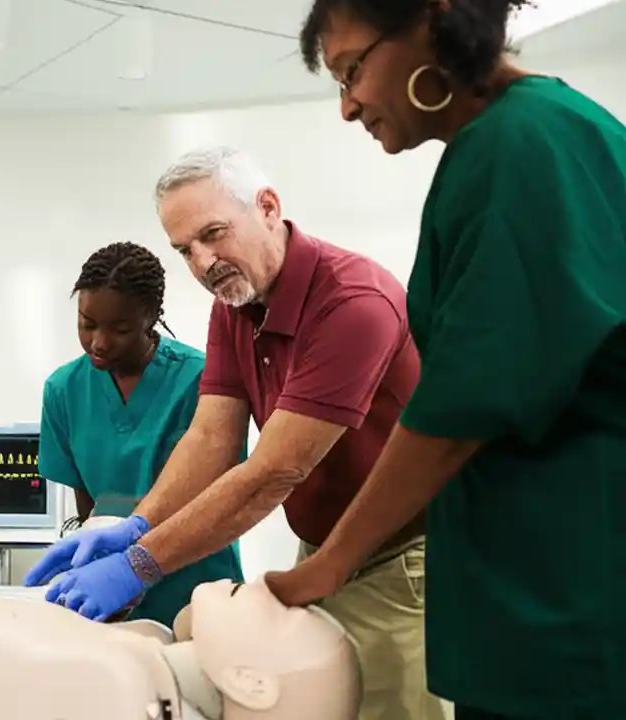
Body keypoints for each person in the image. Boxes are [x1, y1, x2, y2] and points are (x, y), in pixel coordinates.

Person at [265, 1, 626, 718]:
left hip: (562, 594)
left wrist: (331, 564)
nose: (347, 107)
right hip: (538, 583)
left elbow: (462, 406)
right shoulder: (539, 132)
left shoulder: (518, 147)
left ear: (433, 20)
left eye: (351, 71)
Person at [27, 146, 443, 720]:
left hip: (400, 555)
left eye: (214, 234)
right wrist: (136, 526)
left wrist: (138, 564)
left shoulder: (353, 303)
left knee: (388, 708)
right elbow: (210, 440)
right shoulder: (236, 303)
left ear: (269, 207)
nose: (202, 262)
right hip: (322, 546)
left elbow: (274, 470)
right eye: (185, 250)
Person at [30, 240, 243, 627]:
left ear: (151, 318)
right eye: (87, 324)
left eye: (120, 328)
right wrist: (93, 562)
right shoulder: (64, 390)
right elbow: (88, 504)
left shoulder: (203, 381)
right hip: (110, 595)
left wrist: (139, 563)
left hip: (194, 584)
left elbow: (219, 494)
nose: (99, 342)